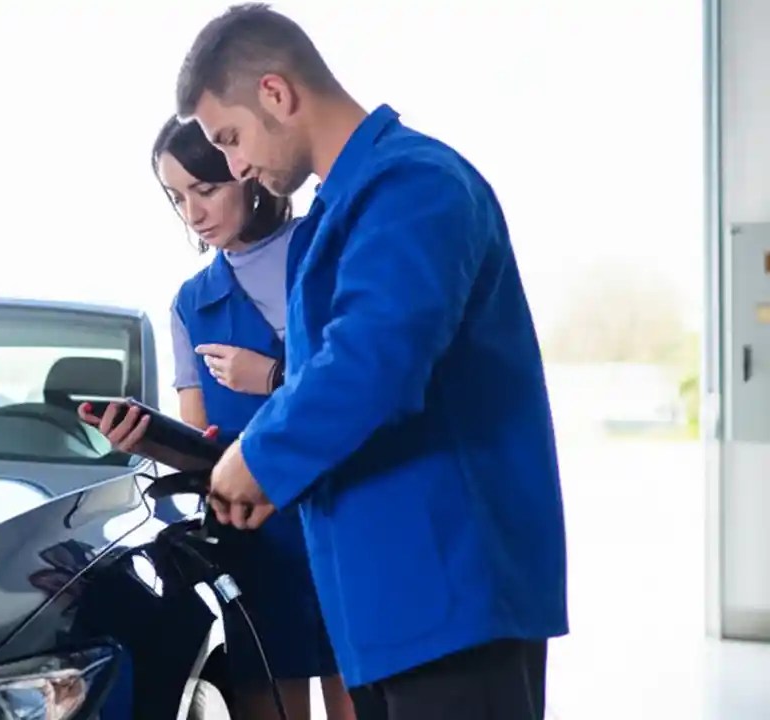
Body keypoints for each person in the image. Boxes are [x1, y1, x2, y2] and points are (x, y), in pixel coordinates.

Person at [169, 4, 569, 720]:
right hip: (385, 602)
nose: (233, 168)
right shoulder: (340, 212)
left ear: (276, 93)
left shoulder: (414, 187)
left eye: (229, 139)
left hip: (451, 596)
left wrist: (257, 456)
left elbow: (373, 361)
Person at [76, 114, 357, 720]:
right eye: (178, 199)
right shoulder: (190, 303)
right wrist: (152, 441)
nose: (193, 214)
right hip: (254, 540)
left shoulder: (331, 251)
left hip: (350, 520)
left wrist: (271, 377)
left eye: (205, 190)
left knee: (360, 699)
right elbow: (204, 447)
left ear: (247, 170)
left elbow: (371, 382)